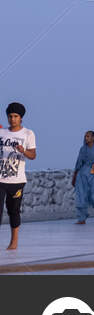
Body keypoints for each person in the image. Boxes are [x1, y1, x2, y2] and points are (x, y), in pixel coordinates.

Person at [1, 102, 38, 251]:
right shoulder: (2, 133)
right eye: (10, 116)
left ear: (21, 118)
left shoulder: (28, 134)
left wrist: (23, 151)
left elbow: (33, 155)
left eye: (15, 116)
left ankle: (14, 241)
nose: (12, 119)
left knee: (13, 211)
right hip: (0, 179)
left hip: (17, 180)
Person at [71, 131, 94, 224]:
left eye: (88, 136)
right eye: (85, 136)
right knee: (81, 195)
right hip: (83, 173)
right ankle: (82, 218)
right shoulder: (83, 149)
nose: (86, 138)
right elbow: (79, 162)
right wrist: (75, 176)